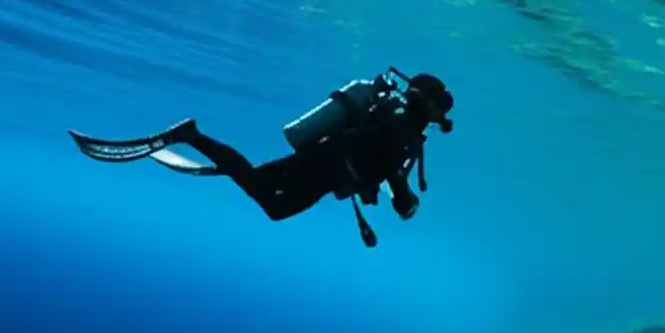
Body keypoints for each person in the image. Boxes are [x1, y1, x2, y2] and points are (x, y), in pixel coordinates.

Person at [68, 68, 454, 246]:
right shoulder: (405, 122)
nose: (441, 118)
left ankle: (217, 154)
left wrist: (396, 190)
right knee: (267, 198)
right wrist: (404, 199)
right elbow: (388, 164)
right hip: (325, 167)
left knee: (267, 197)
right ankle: (192, 136)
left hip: (327, 167)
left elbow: (383, 159)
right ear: (432, 105)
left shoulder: (398, 116)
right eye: (442, 109)